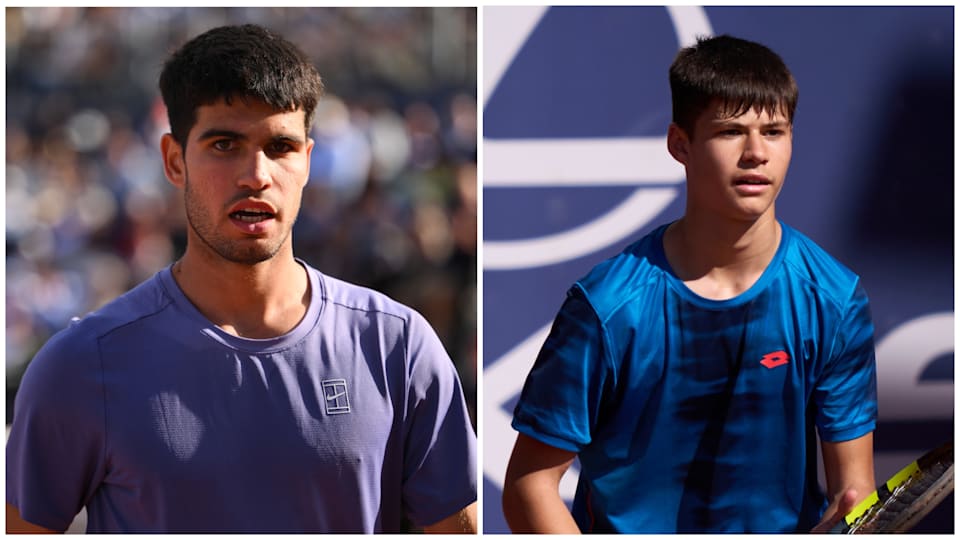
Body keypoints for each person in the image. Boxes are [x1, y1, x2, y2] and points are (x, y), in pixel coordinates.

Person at [6, 24, 477, 534]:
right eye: (225, 144)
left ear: (308, 162)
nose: (256, 174)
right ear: (173, 161)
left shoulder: (397, 346)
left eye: (280, 146)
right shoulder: (80, 366)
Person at [501, 34, 877, 533]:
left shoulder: (835, 301)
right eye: (730, 132)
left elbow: (856, 495)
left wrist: (850, 517)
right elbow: (530, 485)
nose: (756, 153)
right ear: (681, 144)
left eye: (775, 131)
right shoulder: (607, 307)